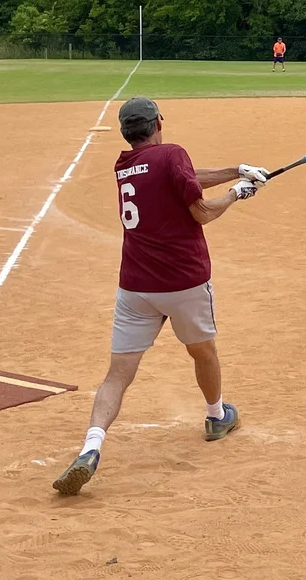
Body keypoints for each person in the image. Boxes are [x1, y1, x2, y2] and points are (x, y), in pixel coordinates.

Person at [52, 97, 269, 497]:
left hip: (135, 287)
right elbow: (200, 211)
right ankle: (216, 416)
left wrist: (237, 170)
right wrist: (238, 193)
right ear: (159, 123)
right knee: (203, 352)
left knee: (117, 375)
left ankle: (91, 446)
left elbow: (182, 176)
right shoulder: (172, 154)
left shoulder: (124, 166)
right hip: (184, 282)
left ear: (127, 132)